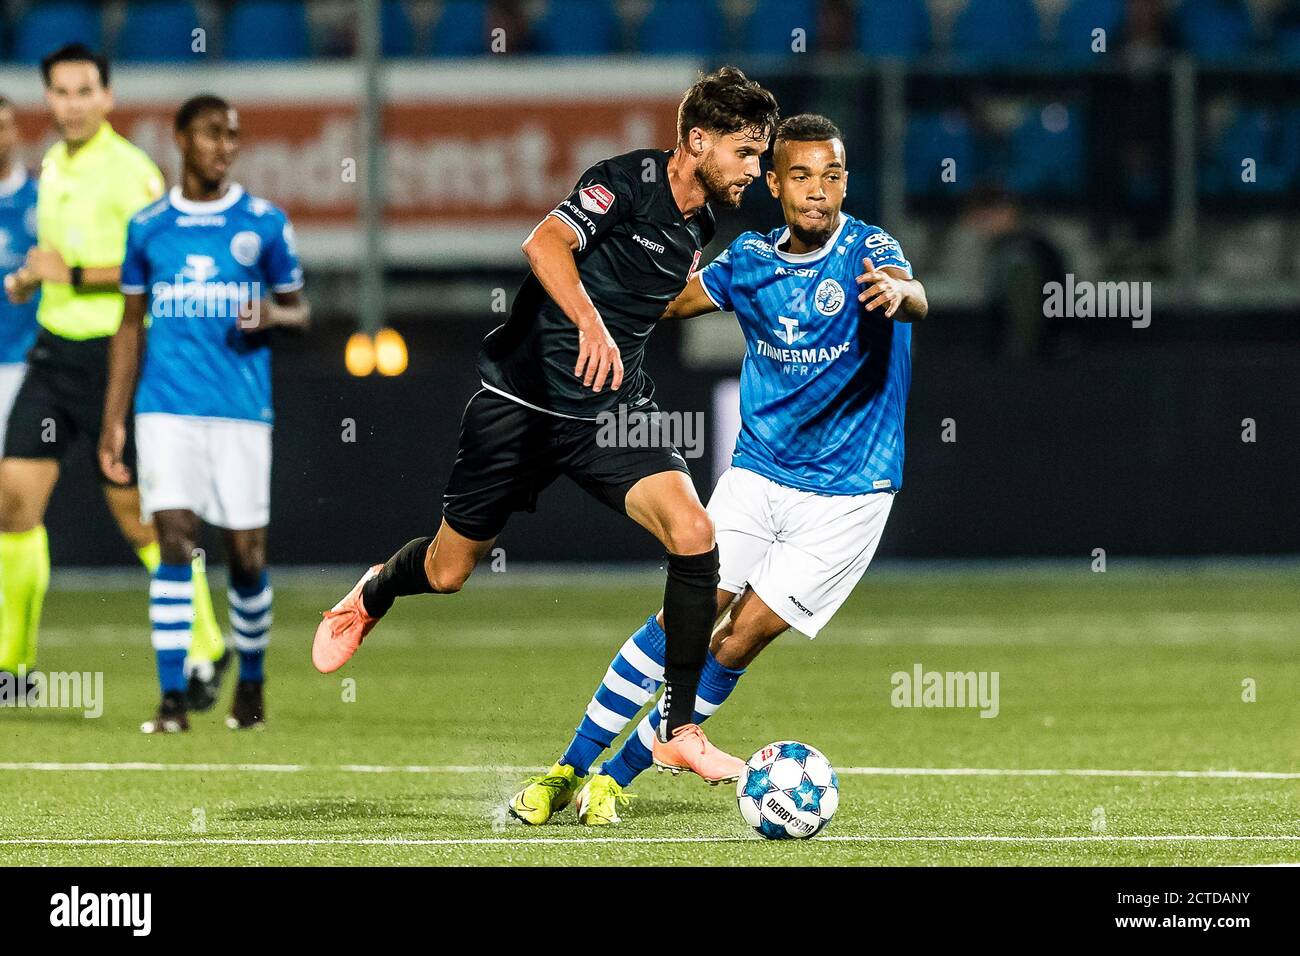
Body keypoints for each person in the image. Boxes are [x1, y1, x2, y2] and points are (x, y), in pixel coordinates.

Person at [312, 67, 778, 778]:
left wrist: (747, 292)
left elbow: (655, 296)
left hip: (610, 413)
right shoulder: (623, 181)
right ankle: (373, 592)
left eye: (761, 154)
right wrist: (589, 325)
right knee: (446, 572)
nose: (756, 169)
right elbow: (544, 244)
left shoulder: (702, 224)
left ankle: (678, 727)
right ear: (696, 139)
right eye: (745, 153)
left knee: (695, 533)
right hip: (521, 409)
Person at [510, 114, 928, 826]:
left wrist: (901, 295)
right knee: (686, 619)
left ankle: (619, 776)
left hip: (849, 498)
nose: (818, 192)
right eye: (800, 176)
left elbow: (912, 291)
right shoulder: (749, 261)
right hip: (759, 476)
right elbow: (670, 301)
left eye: (832, 176)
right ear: (773, 183)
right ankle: (566, 769)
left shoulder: (869, 251)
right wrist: (601, 295)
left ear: (846, 182)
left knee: (738, 640)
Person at [0, 45, 225, 701]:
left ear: (107, 98)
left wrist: (64, 275)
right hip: (54, 351)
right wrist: (29, 280)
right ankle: (12, 668)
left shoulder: (129, 173)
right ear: (49, 100)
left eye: (84, 91)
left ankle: (205, 645)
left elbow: (155, 271)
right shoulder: (53, 165)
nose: (71, 104)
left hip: (116, 359)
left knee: (139, 518)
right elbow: (58, 259)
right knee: (13, 501)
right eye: (60, 93)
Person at [100, 95, 308, 733]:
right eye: (213, 134)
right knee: (174, 543)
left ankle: (251, 682)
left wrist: (273, 315)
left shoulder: (264, 223)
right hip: (166, 408)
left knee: (245, 556)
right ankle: (172, 699)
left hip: (242, 410)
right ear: (181, 138)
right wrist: (114, 417)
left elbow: (301, 311)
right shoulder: (148, 227)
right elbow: (129, 327)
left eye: (233, 136)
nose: (225, 146)